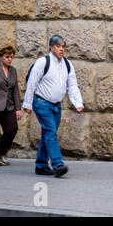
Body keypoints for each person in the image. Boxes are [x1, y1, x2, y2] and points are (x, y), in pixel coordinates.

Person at [23, 35, 83, 178]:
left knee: (47, 133)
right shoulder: (43, 62)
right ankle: (58, 164)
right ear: (51, 47)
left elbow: (72, 85)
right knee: (50, 132)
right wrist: (27, 103)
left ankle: (41, 165)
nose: (61, 49)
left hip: (56, 106)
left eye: (63, 46)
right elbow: (32, 83)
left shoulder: (67, 64)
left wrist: (78, 103)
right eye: (58, 46)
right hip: (41, 103)